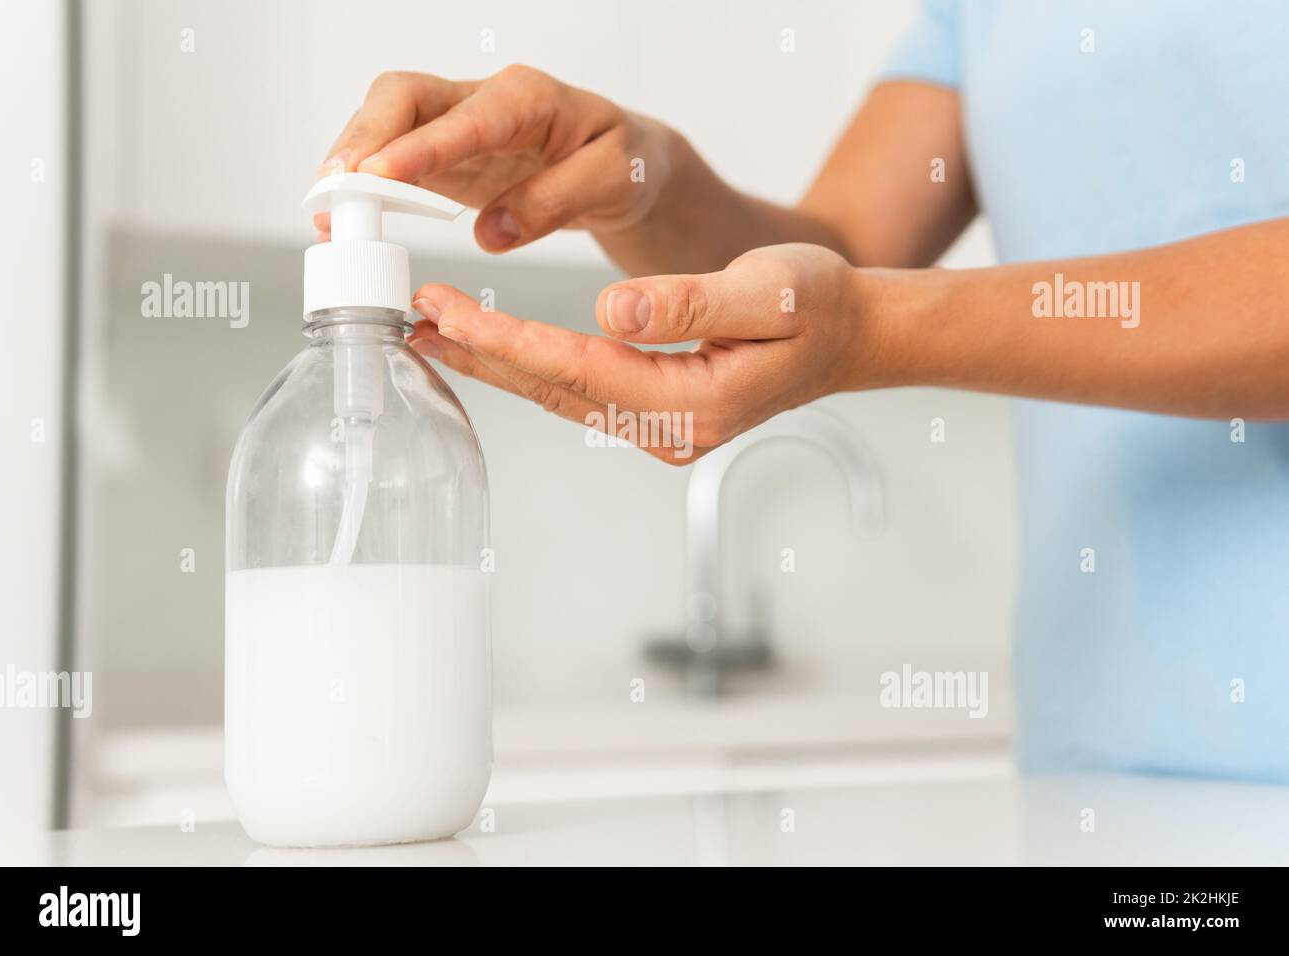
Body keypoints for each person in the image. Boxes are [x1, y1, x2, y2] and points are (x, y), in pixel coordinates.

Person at [317, 1, 1289, 783]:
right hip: (1097, 764)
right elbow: (838, 254)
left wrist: (868, 328)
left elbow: (852, 299)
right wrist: (638, 178)